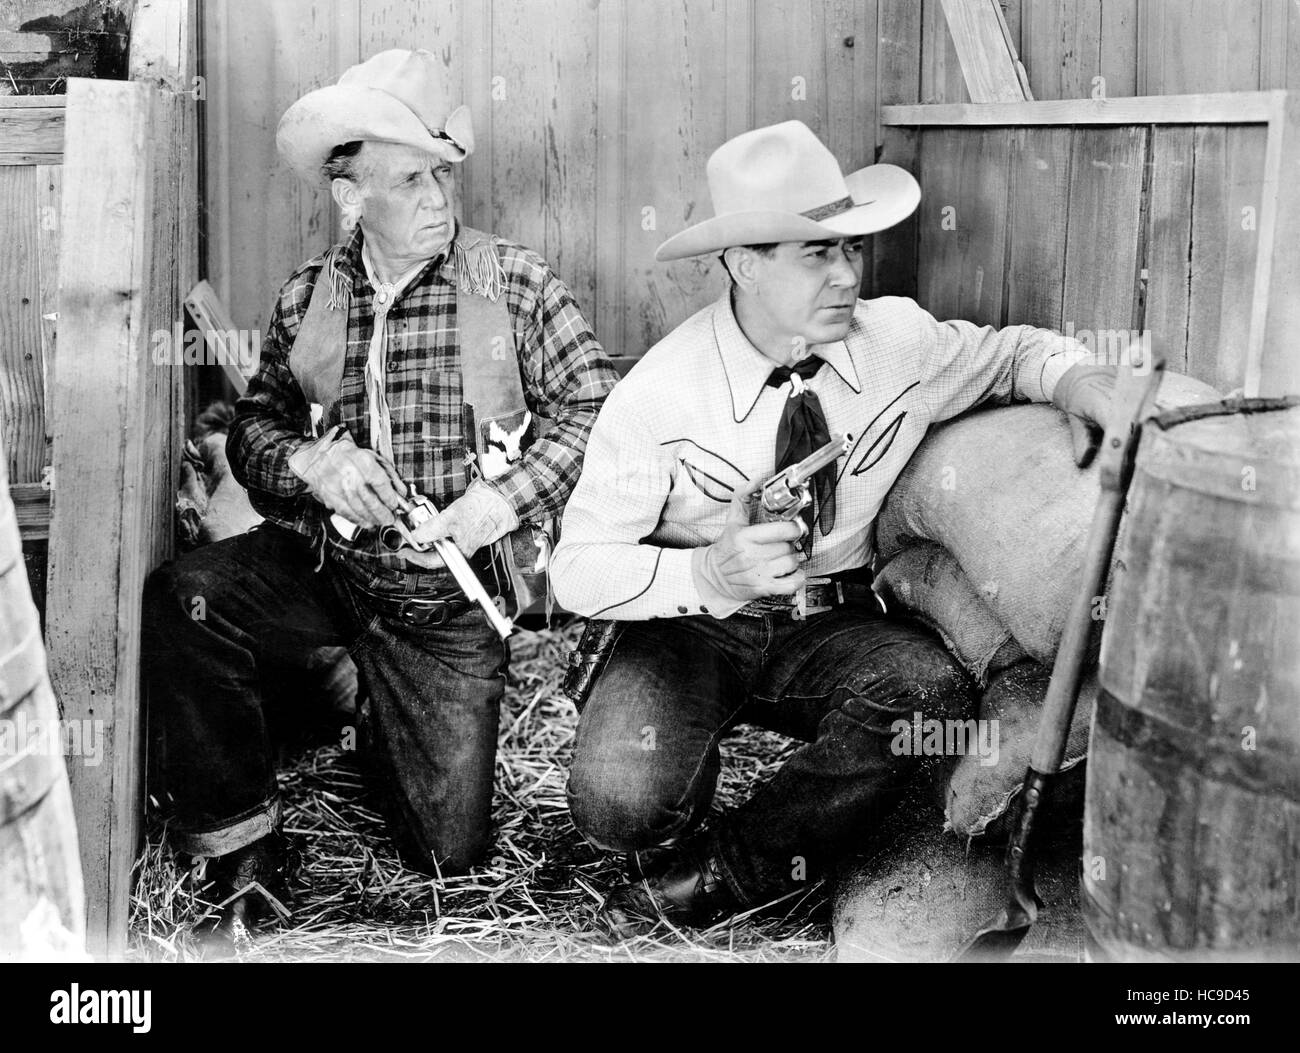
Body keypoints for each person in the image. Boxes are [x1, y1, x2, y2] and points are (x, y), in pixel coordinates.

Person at [549, 120, 1114, 938]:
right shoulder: (660, 393)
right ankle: (670, 802)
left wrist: (1083, 377)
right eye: (817, 254)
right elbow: (577, 568)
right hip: (694, 623)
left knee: (928, 695)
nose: (848, 273)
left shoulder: (899, 343)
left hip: (832, 621)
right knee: (617, 802)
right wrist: (705, 575)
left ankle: (729, 869)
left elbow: (1009, 353)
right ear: (744, 264)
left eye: (850, 248)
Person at [141, 49, 618, 945]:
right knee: (188, 600)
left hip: (443, 604)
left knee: (447, 852)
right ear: (351, 196)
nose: (440, 196)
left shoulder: (510, 283)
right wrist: (312, 467)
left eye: (443, 172)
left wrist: (498, 503)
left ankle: (364, 696)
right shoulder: (308, 298)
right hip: (324, 566)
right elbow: (255, 431)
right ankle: (244, 845)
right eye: (411, 179)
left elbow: (598, 411)